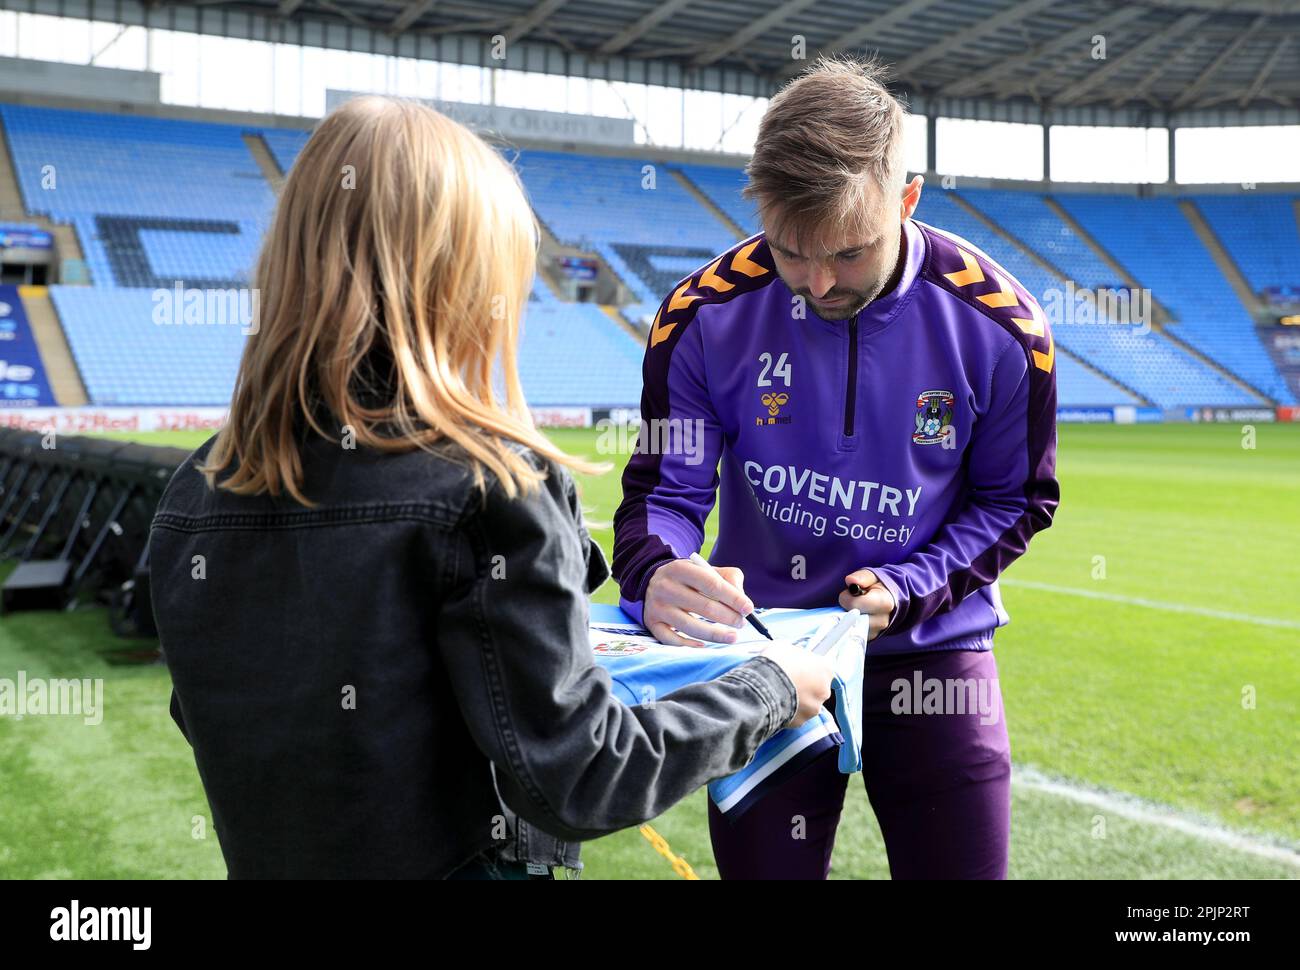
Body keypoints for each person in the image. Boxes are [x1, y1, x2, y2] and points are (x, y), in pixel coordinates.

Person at [148, 95, 833, 880]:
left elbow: (217, 717)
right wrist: (769, 691)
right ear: (464, 280)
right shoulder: (489, 485)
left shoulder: (195, 490)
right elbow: (579, 773)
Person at [612, 56, 1060, 879]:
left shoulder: (1004, 328)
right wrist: (657, 570)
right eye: (790, 251)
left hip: (932, 653)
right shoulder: (701, 316)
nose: (817, 282)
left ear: (907, 200)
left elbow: (1015, 501)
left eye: (848, 254)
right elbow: (663, 490)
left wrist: (912, 585)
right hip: (762, 655)